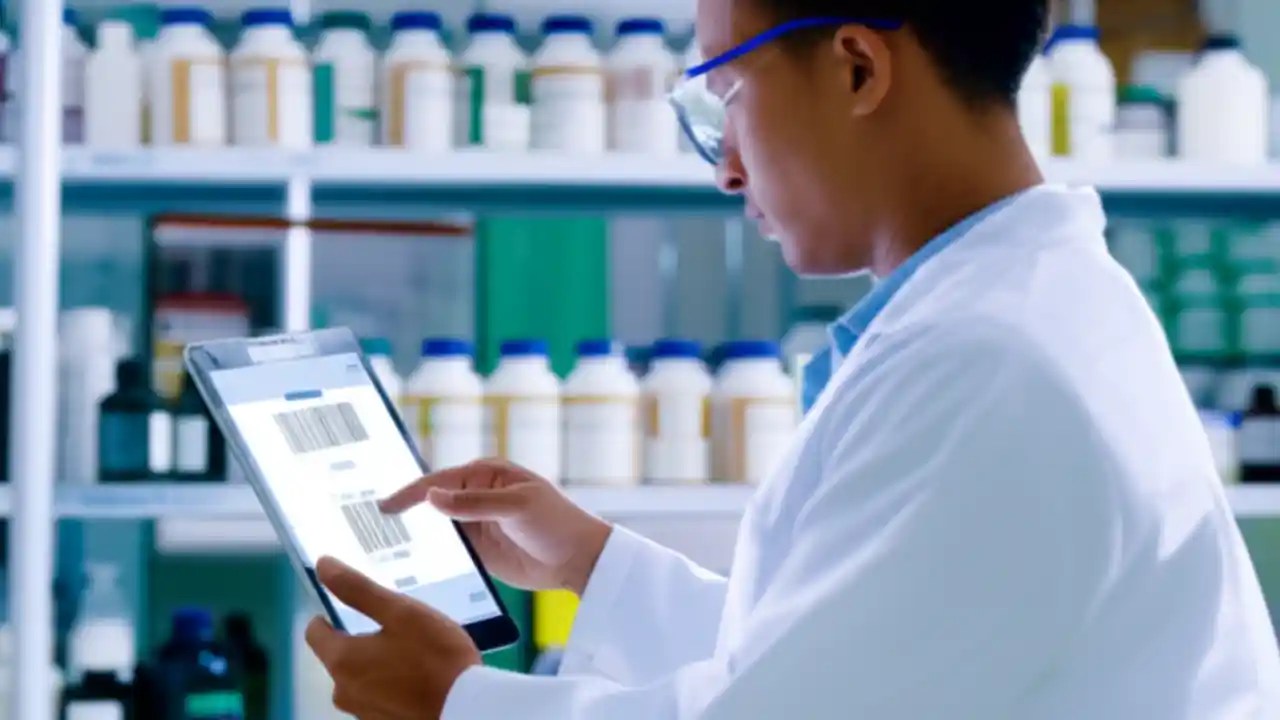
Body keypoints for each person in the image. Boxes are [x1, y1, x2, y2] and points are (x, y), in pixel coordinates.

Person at [305, 0, 1280, 717]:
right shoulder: (1021, 310)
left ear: (857, 66)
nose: (725, 165)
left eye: (726, 95)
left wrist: (455, 702)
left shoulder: (989, 360)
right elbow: (861, 659)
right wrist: (594, 565)